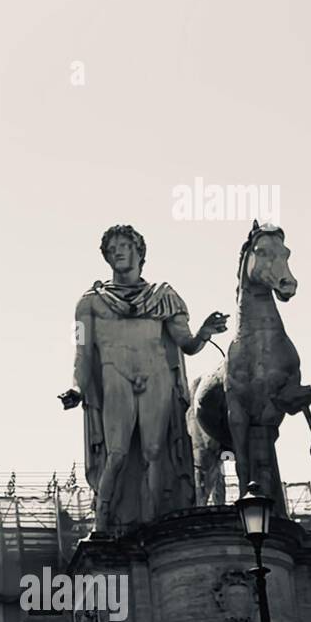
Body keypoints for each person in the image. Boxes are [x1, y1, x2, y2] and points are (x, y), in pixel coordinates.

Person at [60, 224, 227, 533]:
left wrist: (204, 333)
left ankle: (152, 525)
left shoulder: (164, 296)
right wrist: (77, 387)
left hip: (157, 375)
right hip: (115, 375)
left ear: (139, 251)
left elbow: (186, 344)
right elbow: (81, 352)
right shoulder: (89, 303)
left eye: (123, 245)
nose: (117, 251)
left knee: (155, 451)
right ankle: (103, 519)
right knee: (118, 453)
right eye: (111, 249)